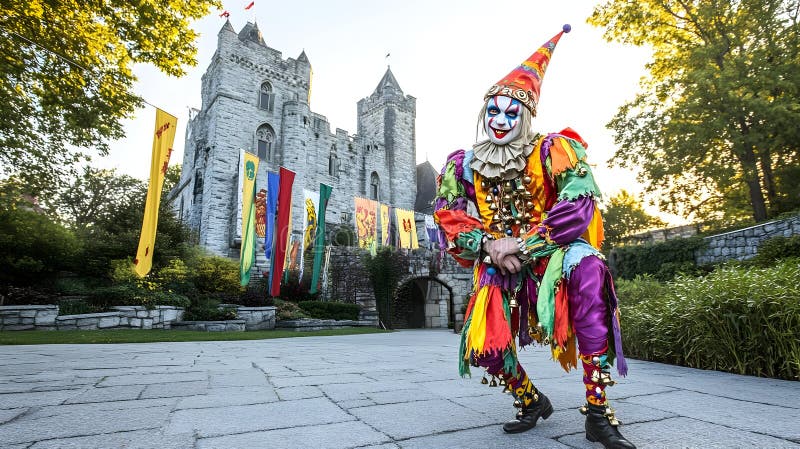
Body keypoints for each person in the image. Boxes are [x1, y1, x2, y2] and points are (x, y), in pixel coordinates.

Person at [433, 24, 635, 449]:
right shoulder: (464, 164)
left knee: (591, 270)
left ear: (525, 116)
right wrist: (489, 246)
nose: (500, 121)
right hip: (497, 260)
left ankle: (597, 413)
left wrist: (524, 246)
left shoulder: (554, 149)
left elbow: (579, 206)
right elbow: (447, 214)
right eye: (493, 111)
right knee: (482, 342)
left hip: (553, 252)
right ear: (483, 113)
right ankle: (530, 400)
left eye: (511, 112)